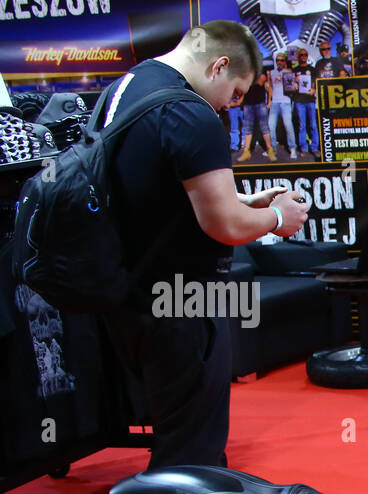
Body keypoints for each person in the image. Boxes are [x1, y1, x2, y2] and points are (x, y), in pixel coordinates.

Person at [99, 21, 309, 470]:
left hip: (129, 292)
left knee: (179, 430)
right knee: (190, 452)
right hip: (181, 299)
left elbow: (154, 192)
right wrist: (276, 217)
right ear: (218, 66)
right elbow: (226, 225)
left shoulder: (125, 88)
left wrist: (244, 202)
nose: (231, 106)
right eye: (235, 93)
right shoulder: (190, 113)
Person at [236, 64, 276, 161]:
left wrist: (269, 101)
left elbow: (264, 84)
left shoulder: (261, 72)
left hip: (260, 104)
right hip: (248, 105)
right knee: (247, 129)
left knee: (264, 128)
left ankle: (270, 150)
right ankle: (246, 152)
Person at [269, 51, 298, 159]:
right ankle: (273, 149)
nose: (279, 62)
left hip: (285, 102)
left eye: (281, 60)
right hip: (275, 102)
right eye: (278, 60)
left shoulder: (289, 72)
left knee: (288, 125)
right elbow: (271, 87)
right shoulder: (272, 73)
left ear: (284, 61)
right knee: (270, 126)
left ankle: (292, 149)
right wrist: (269, 101)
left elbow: (294, 87)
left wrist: (295, 86)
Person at [292, 46, 319, 159]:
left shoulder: (312, 69)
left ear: (307, 57)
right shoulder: (294, 71)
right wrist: (294, 83)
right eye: (301, 55)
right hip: (299, 101)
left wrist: (314, 90)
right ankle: (303, 148)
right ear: (298, 57)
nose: (303, 57)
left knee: (313, 125)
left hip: (310, 101)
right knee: (302, 126)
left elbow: (317, 82)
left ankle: (314, 148)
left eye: (305, 55)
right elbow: (290, 86)